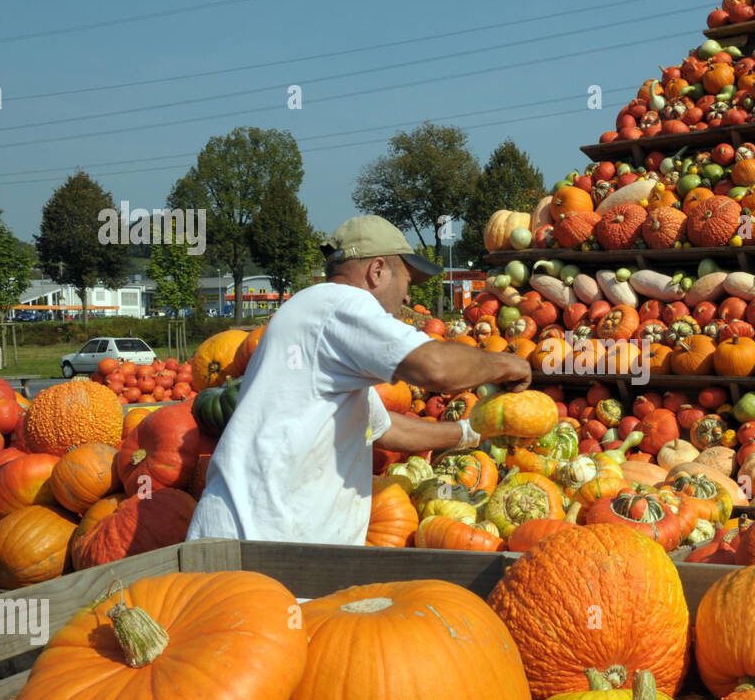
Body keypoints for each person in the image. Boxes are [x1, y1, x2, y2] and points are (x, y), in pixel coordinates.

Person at [187, 214, 531, 545]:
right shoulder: (340, 304)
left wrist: (474, 432)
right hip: (260, 542)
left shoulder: (320, 316)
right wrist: (508, 364)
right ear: (377, 271)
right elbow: (436, 369)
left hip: (265, 541)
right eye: (407, 281)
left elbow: (386, 429)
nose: (408, 298)